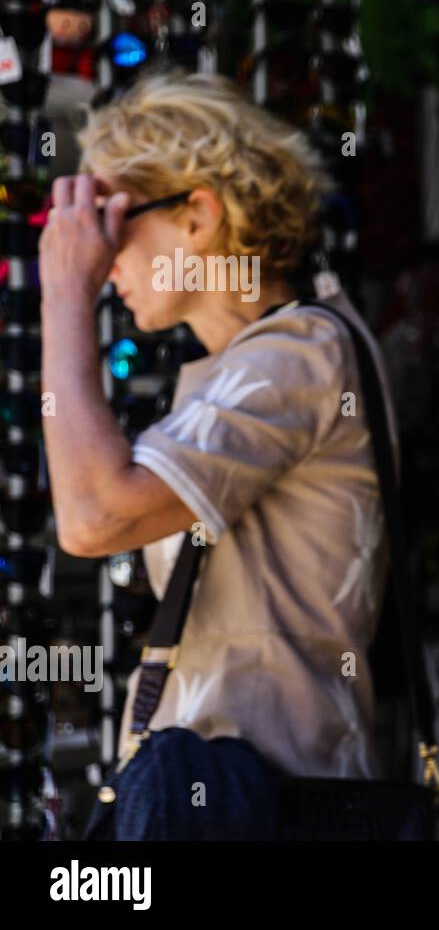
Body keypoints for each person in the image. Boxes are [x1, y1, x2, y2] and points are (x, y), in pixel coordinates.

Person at [38, 72, 397, 838]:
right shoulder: (258, 362)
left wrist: (63, 295)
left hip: (266, 806)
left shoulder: (299, 355)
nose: (101, 258)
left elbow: (94, 515)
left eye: (111, 220)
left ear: (198, 215)